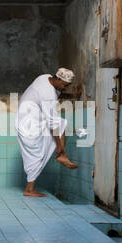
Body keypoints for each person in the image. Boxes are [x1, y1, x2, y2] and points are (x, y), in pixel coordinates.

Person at [17, 68, 79, 198]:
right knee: (38, 155)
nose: (65, 88)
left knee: (61, 124)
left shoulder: (45, 77)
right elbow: (53, 124)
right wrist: (59, 146)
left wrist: (72, 96)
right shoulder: (48, 95)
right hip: (30, 125)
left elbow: (56, 94)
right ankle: (29, 189)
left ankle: (62, 154)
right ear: (59, 79)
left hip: (26, 120)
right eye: (65, 85)